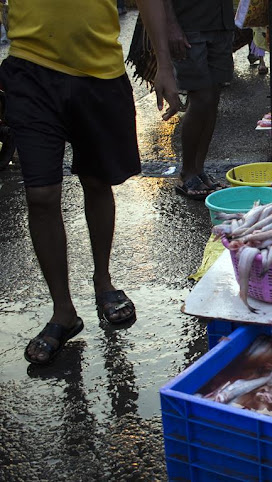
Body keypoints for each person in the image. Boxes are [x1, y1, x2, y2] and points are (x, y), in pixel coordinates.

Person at [0, 0, 181, 364]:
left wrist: (164, 63)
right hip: (29, 71)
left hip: (99, 73)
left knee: (97, 183)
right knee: (41, 194)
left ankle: (104, 282)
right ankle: (63, 311)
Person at [163, 0, 234, 199]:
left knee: (212, 99)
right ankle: (187, 171)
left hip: (221, 23)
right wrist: (171, 24)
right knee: (201, 97)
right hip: (189, 24)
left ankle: (198, 168)